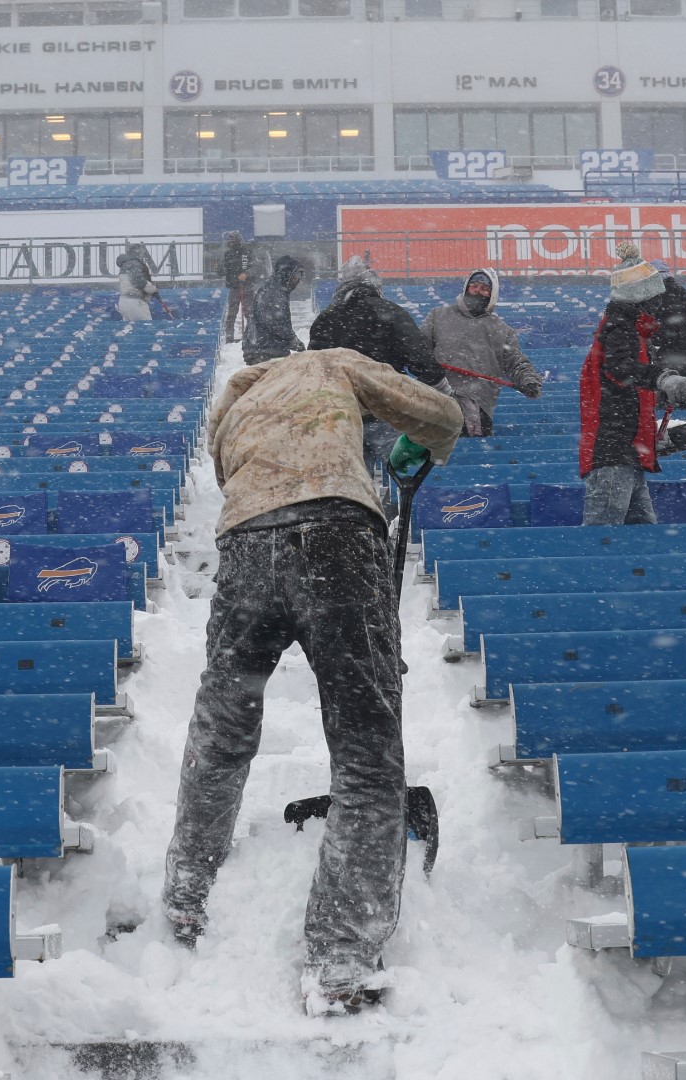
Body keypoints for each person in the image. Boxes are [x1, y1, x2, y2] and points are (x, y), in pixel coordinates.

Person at [162, 345, 461, 1016]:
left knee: (223, 724)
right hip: (337, 535)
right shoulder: (332, 363)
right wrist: (426, 445)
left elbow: (242, 478)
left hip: (245, 547)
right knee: (365, 749)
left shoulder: (231, 404)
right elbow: (439, 414)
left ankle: (186, 893)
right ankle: (342, 956)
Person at [309, 255, 456, 517]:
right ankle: (402, 522)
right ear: (374, 286)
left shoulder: (327, 319)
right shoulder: (390, 312)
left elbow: (313, 370)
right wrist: (442, 390)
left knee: (351, 484)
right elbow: (419, 355)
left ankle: (360, 527)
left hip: (344, 415)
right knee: (405, 476)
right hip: (386, 410)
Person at [578, 242, 686, 525]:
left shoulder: (632, 329)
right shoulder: (619, 327)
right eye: (656, 295)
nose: (661, 302)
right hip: (613, 452)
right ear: (643, 296)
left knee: (641, 533)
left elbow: (631, 389)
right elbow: (622, 370)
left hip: (626, 451)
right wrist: (664, 379)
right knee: (605, 533)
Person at [422, 268, 542, 437]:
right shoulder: (438, 316)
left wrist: (529, 381)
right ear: (466, 288)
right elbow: (419, 348)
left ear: (492, 295)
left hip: (477, 405)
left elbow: (516, 363)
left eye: (484, 288)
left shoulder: (502, 331)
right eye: (474, 286)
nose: (478, 291)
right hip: (436, 398)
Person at [240, 254, 305, 364]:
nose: (298, 281)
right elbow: (277, 323)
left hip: (260, 348)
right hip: (267, 351)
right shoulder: (274, 293)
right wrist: (292, 340)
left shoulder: (272, 288)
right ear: (286, 274)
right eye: (296, 276)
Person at [220, 231, 256, 343]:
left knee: (249, 313)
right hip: (234, 288)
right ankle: (229, 337)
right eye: (230, 242)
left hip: (248, 287)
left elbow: (254, 267)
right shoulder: (227, 255)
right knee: (231, 314)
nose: (231, 244)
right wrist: (221, 269)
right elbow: (221, 271)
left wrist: (246, 274)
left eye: (233, 242)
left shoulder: (248, 253)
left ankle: (251, 335)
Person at [114, 242, 158, 322]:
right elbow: (138, 280)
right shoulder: (134, 263)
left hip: (124, 301)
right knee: (146, 329)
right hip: (135, 302)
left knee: (131, 330)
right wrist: (152, 289)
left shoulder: (125, 264)